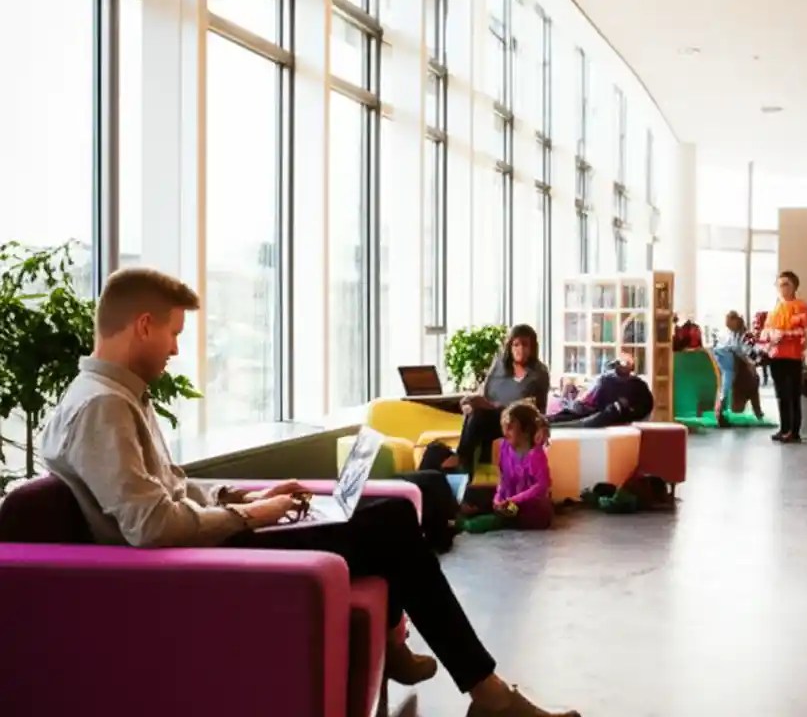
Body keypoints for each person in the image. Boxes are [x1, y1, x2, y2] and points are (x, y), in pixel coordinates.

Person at [39, 267, 577, 717]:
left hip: (203, 537)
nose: (177, 349)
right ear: (142, 325)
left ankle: (433, 662)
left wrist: (241, 497)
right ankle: (484, 692)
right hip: (192, 560)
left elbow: (172, 486)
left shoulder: (118, 396)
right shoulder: (103, 408)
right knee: (390, 525)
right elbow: (152, 526)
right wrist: (252, 518)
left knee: (389, 512)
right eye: (173, 333)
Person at [443, 324, 550, 473]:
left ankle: (462, 457)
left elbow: (539, 409)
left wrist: (541, 426)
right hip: (493, 417)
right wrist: (470, 402)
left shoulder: (539, 373)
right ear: (509, 347)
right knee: (475, 414)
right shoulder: (499, 367)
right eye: (516, 345)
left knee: (480, 417)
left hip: (518, 422)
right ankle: (466, 473)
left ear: (532, 347)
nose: (520, 349)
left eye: (525, 345)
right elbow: (485, 394)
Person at [459, 403, 553, 534]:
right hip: (510, 501)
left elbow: (542, 486)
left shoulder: (535, 454)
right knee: (472, 494)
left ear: (525, 431)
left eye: (510, 428)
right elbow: (504, 480)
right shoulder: (504, 447)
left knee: (504, 518)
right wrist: (498, 498)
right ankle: (470, 514)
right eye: (504, 427)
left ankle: (468, 524)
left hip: (531, 508)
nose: (505, 432)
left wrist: (513, 500)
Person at [762, 270, 807, 443]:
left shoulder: (801, 306)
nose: (782, 288)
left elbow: (802, 332)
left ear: (794, 287)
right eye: (779, 284)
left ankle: (793, 431)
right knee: (781, 394)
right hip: (775, 356)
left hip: (793, 356)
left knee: (792, 394)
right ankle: (783, 428)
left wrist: (781, 334)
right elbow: (766, 330)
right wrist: (768, 337)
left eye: (786, 284)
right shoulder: (775, 308)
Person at [548, 354, 653, 428]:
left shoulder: (639, 386)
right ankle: (549, 422)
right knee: (571, 415)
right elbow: (592, 401)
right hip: (597, 412)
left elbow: (645, 409)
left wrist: (625, 409)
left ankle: (557, 425)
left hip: (615, 417)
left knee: (598, 416)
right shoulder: (607, 380)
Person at [712, 311, 763, 425]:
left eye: (729, 324)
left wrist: (749, 362)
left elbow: (755, 355)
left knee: (751, 395)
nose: (728, 326)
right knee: (736, 408)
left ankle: (757, 411)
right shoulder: (730, 335)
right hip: (737, 376)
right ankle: (724, 409)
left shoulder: (747, 336)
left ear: (735, 321)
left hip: (747, 375)